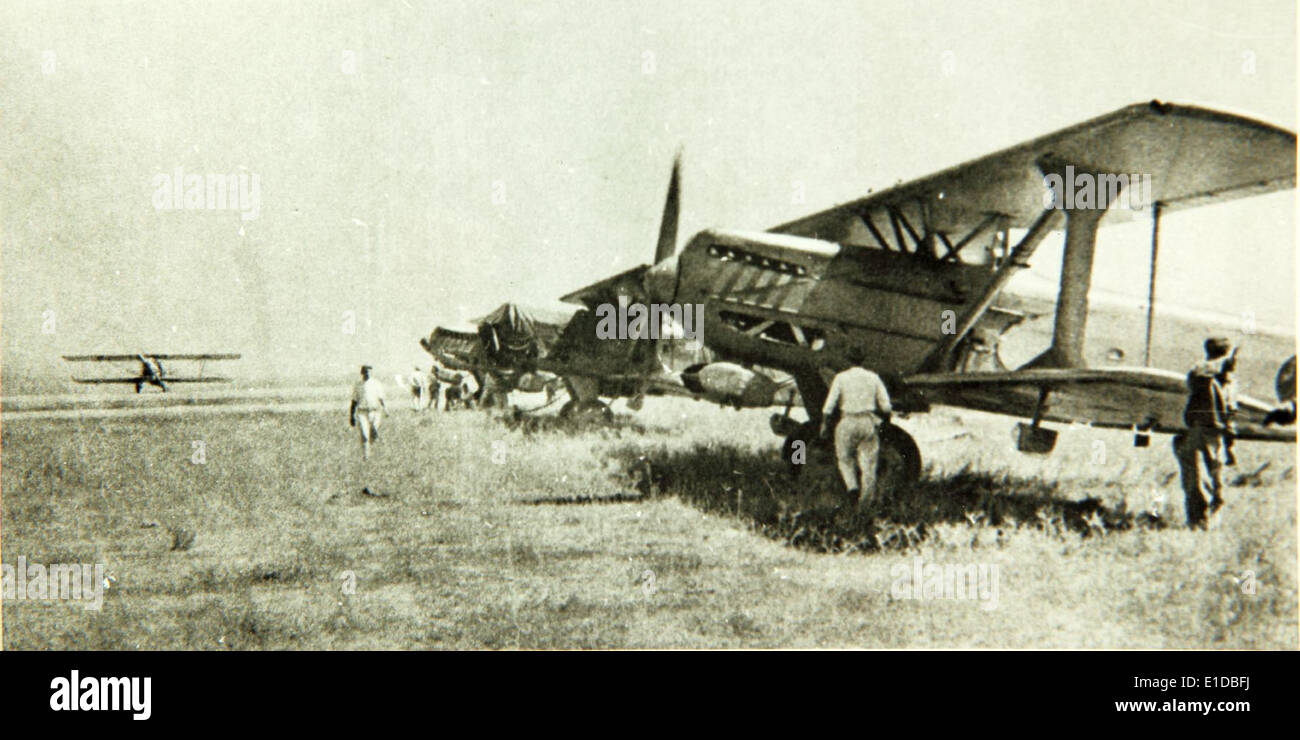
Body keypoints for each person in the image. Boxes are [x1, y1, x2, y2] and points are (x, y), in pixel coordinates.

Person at [1173, 337, 1237, 528]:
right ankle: (1204, 521)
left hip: (1200, 431)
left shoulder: (1207, 374)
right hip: (1207, 432)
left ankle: (1199, 521)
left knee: (1199, 479)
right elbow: (1228, 410)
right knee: (1207, 478)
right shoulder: (1209, 374)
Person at [819, 346, 892, 508]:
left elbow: (829, 405)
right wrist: (884, 422)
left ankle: (852, 487)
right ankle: (866, 502)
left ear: (847, 360)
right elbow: (886, 406)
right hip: (867, 421)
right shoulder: (874, 377)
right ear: (863, 360)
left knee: (844, 459)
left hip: (847, 421)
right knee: (869, 465)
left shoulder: (840, 377)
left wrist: (824, 424)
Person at [349, 364, 389, 460]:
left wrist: (386, 409)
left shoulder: (376, 384)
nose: (367, 374)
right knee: (364, 434)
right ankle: (366, 455)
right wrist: (351, 416)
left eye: (369, 372)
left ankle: (371, 445)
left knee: (373, 432)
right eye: (365, 372)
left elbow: (381, 398)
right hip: (362, 412)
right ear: (362, 373)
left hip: (375, 411)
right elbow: (354, 401)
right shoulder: (358, 385)